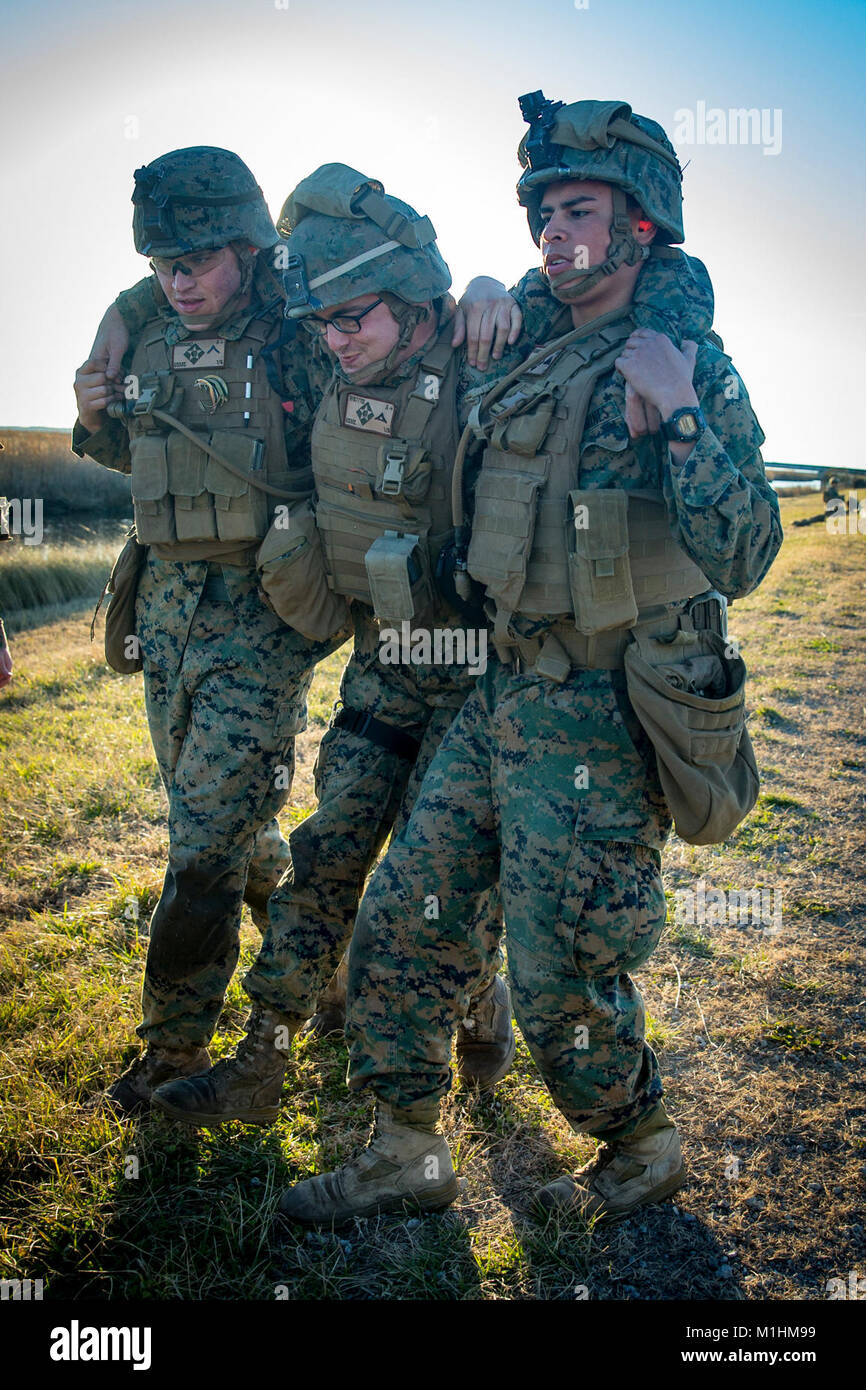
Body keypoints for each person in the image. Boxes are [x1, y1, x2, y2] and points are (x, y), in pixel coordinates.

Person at [277, 97, 783, 1226]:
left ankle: (639, 1140)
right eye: (543, 211)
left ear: (639, 224)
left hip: (604, 712)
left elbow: (746, 550)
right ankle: (404, 1143)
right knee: (405, 918)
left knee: (561, 975)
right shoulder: (526, 336)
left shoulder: (687, 359)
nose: (553, 231)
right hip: (500, 687)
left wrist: (686, 418)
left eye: (580, 211)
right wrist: (478, 294)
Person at [150, 164, 535, 1127]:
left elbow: (621, 302)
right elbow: (201, 278)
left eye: (355, 316)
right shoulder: (327, 360)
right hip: (381, 665)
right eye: (323, 321)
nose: (336, 338)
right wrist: (122, 321)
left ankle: (479, 1006)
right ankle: (260, 1060)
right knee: (324, 861)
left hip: (472, 685)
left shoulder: (486, 366)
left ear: (417, 305)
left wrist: (492, 285)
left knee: (441, 880)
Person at [72, 146, 347, 1116]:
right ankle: (337, 968)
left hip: (259, 624)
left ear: (248, 242)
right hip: (160, 615)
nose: (176, 282)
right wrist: (100, 397)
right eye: (159, 266)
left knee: (197, 850)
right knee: (228, 829)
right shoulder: (147, 329)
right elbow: (141, 456)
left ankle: (170, 1051)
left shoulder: (304, 334)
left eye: (195, 260)